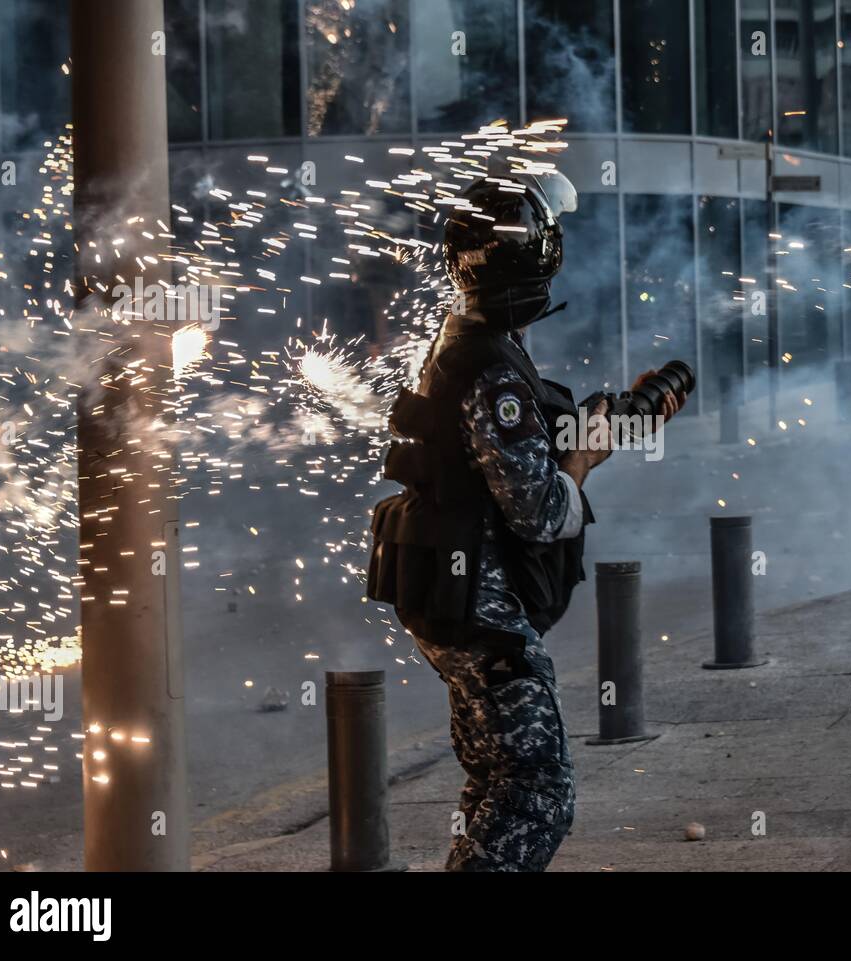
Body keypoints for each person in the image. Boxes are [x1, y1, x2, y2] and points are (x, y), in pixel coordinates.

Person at [368, 169, 681, 871]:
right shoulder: (491, 373)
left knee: (497, 781)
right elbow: (539, 512)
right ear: (531, 256)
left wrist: (590, 427)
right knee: (538, 791)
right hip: (479, 613)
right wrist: (584, 460)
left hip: (453, 601)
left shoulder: (466, 347)